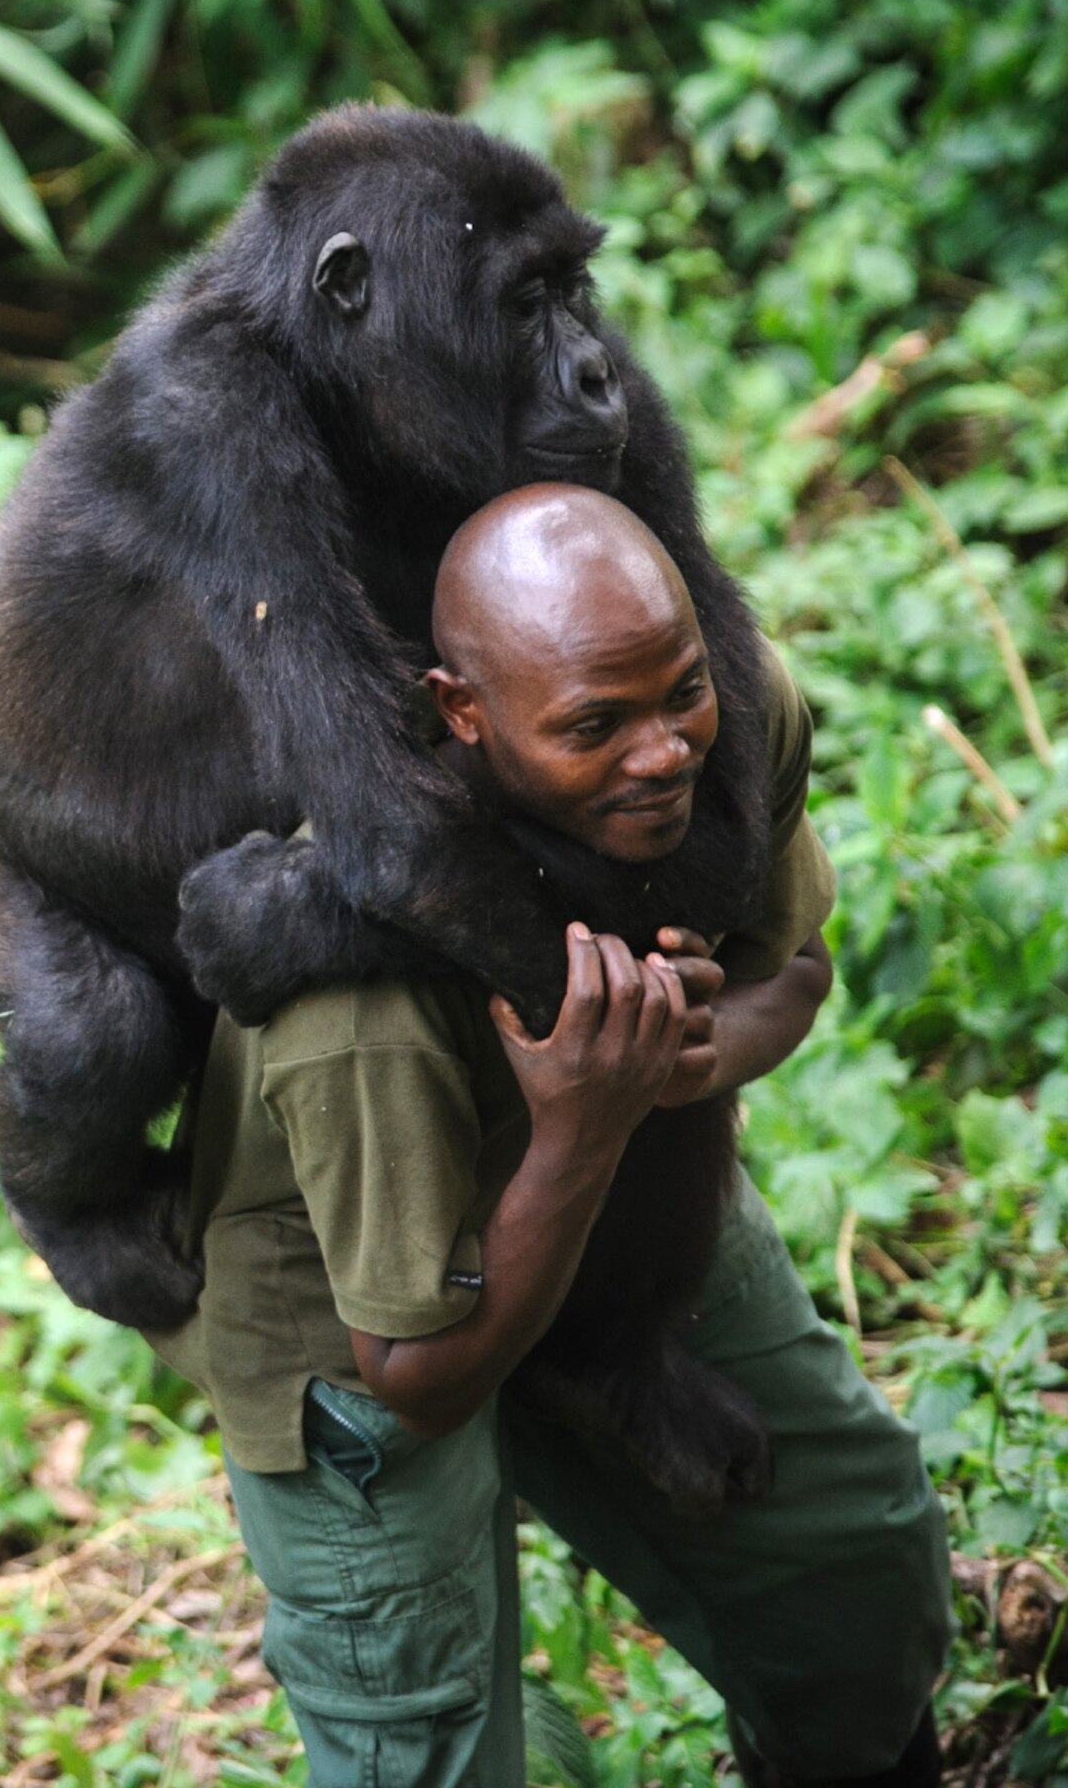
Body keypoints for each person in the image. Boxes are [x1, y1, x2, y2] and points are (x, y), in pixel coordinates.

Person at [146, 483, 951, 1788]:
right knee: (435, 1745)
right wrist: (581, 1128)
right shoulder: (356, 993)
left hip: (625, 1158)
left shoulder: (730, 713)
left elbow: (791, 969)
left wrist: (695, 1054)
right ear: (461, 715)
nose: (660, 753)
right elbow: (417, 1373)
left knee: (852, 1563)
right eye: (595, 728)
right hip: (356, 1296)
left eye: (676, 693)